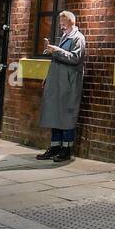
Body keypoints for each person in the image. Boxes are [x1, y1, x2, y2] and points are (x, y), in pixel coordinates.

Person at [36, 10, 86, 163]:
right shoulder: (65, 36)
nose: (62, 26)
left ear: (72, 22)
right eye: (61, 24)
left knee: (66, 116)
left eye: (64, 23)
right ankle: (55, 147)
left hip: (69, 84)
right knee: (55, 114)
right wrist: (47, 78)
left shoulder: (78, 38)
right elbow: (57, 61)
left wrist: (56, 50)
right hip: (57, 82)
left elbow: (75, 58)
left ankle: (66, 149)